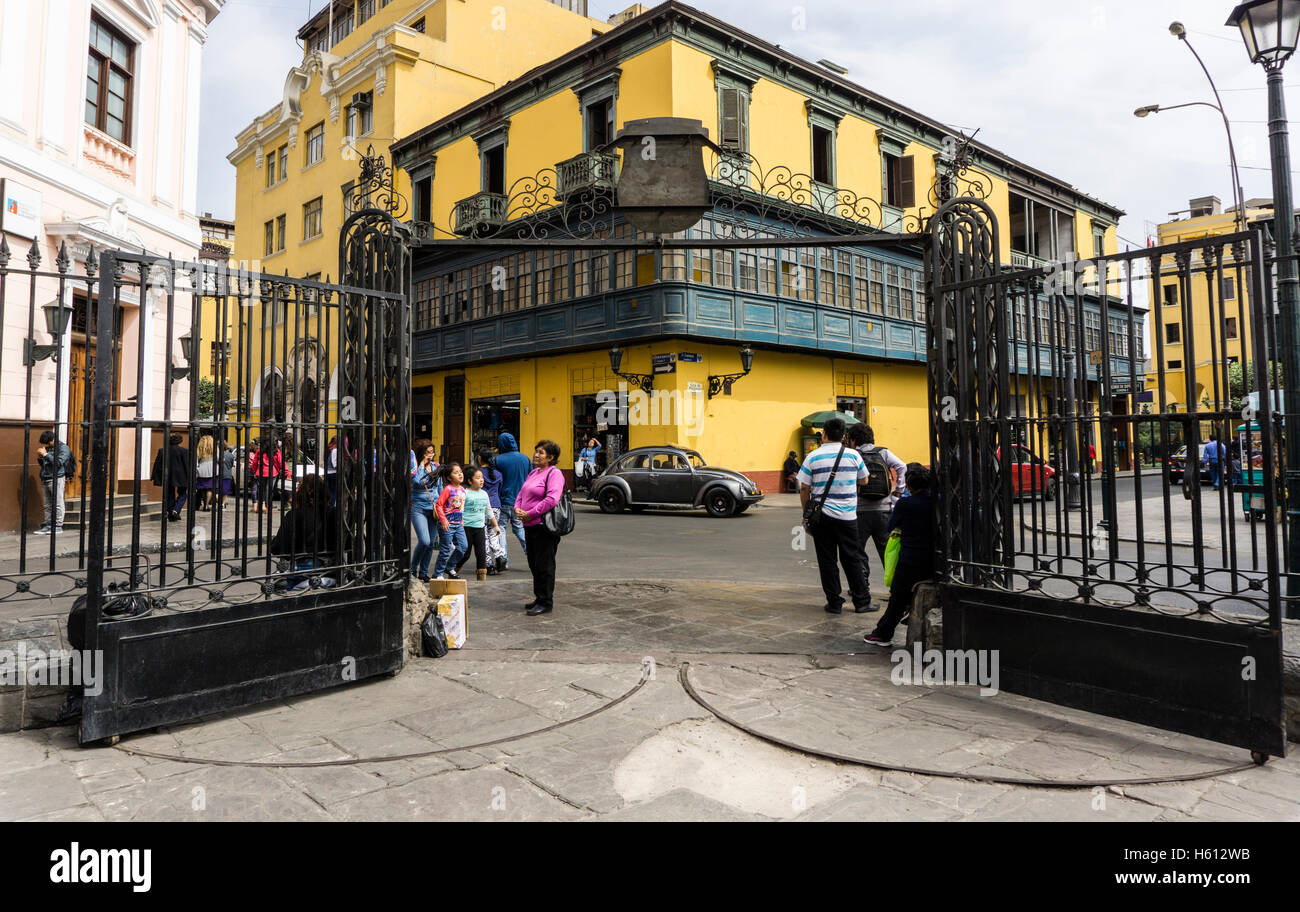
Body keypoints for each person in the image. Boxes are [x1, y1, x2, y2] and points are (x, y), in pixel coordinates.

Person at [796, 418, 872, 614]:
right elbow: (864, 480)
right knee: (852, 558)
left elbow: (804, 488)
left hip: (822, 517)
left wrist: (806, 513)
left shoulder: (812, 457)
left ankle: (834, 602)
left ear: (824, 434)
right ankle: (862, 601)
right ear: (844, 436)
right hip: (848, 516)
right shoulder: (853, 455)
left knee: (827, 560)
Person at [863, 464, 936, 647]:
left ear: (910, 487)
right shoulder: (938, 500)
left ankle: (883, 633)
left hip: (910, 558)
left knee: (897, 596)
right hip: (935, 558)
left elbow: (890, 526)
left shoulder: (906, 503)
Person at [847, 422, 906, 600]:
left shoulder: (853, 455)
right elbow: (902, 466)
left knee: (858, 551)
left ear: (854, 440)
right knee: (887, 551)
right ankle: (896, 588)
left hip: (860, 511)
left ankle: (862, 587)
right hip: (884, 510)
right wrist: (898, 491)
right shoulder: (884, 452)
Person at [513, 440, 565, 616]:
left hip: (544, 526)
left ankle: (546, 601)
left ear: (551, 457)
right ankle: (539, 597)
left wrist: (531, 513)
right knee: (534, 563)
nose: (536, 454)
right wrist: (517, 508)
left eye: (541, 452)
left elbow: (552, 499)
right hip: (529, 525)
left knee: (545, 565)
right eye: (536, 451)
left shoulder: (554, 473)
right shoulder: (534, 472)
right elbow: (522, 493)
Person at [271, 474, 338, 589]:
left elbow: (278, 549)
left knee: (277, 585)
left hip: (303, 572)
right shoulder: (334, 513)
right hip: (331, 570)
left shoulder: (294, 515)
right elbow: (346, 544)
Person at [456, 467, 502, 581]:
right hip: (466, 527)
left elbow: (489, 511)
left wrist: (496, 526)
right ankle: (453, 570)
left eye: (482, 478)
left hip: (480, 528)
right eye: (478, 478)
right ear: (470, 481)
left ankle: (481, 581)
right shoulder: (465, 493)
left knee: (481, 555)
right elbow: (459, 510)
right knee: (465, 554)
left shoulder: (484, 494)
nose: (481, 480)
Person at [495, 432, 532, 570]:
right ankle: (532, 555)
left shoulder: (498, 460)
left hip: (503, 500)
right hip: (521, 501)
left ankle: (503, 559)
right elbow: (530, 479)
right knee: (520, 529)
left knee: (501, 529)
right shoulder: (525, 459)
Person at [410, 442, 439, 582]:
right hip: (418, 508)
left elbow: (439, 488)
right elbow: (417, 482)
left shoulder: (435, 467)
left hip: (432, 508)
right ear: (421, 454)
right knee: (424, 540)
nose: (430, 455)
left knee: (431, 543)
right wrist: (421, 464)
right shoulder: (415, 467)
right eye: (427, 452)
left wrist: (440, 507)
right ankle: (412, 569)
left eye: (432, 452)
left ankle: (423, 572)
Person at [433, 462, 467, 580]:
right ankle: (438, 573)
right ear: (449, 477)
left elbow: (461, 507)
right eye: (456, 473)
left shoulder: (463, 490)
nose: (460, 474)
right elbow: (439, 505)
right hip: (447, 524)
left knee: (463, 546)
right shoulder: (448, 489)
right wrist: (443, 520)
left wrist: (462, 520)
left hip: (458, 525)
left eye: (460, 472)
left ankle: (450, 566)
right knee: (446, 549)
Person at [35, 430, 74, 535]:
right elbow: (44, 464)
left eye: (48, 442)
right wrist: (40, 457)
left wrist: (46, 454)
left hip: (57, 478)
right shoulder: (48, 448)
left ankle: (58, 526)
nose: (47, 445)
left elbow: (59, 462)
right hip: (45, 477)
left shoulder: (63, 448)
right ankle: (48, 525)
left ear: (53, 439)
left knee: (57, 503)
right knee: (47, 504)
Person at [478, 448, 507, 574]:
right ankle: (499, 555)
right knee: (493, 533)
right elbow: (499, 490)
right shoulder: (498, 474)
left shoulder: (477, 473)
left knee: (483, 536)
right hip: (495, 505)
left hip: (482, 506)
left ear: (479, 458)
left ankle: (489, 565)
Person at [150, 433, 190, 522]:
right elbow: (187, 465)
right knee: (183, 494)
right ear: (180, 441)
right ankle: (176, 510)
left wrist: (154, 476)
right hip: (181, 476)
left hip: (168, 476)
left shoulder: (162, 450)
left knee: (169, 495)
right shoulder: (184, 451)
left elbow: (157, 464)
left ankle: (172, 513)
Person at [250, 435, 285, 514]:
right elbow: (281, 462)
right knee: (269, 490)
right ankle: (268, 507)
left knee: (262, 489)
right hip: (272, 472)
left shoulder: (260, 450)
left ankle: (260, 506)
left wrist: (255, 471)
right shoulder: (276, 451)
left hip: (261, 472)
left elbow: (255, 463)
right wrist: (283, 471)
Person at [195, 434, 215, 511]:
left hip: (201, 471)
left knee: (203, 488)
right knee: (210, 489)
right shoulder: (214, 449)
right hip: (212, 470)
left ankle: (204, 503)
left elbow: (196, 461)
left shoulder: (199, 449)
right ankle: (206, 505)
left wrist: (196, 470)